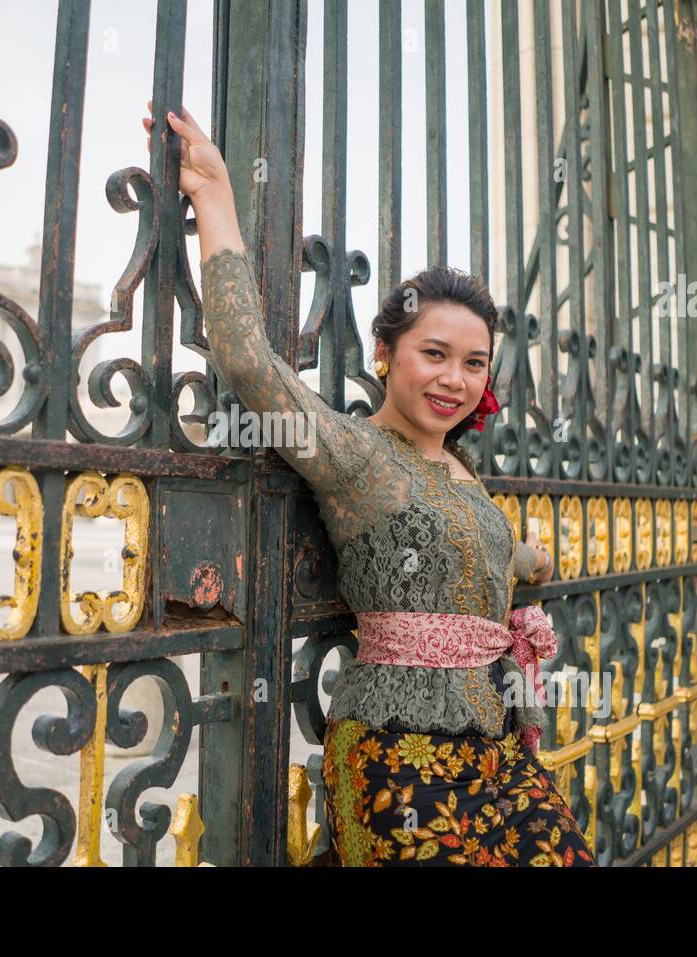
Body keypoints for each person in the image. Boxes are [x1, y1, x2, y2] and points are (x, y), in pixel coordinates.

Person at [144, 103, 597, 866]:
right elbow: (251, 364)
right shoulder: (356, 453)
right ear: (386, 354)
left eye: (475, 363)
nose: (455, 378)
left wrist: (531, 560)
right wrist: (215, 199)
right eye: (435, 353)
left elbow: (479, 552)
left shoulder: (463, 474)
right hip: (397, 748)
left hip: (496, 745)